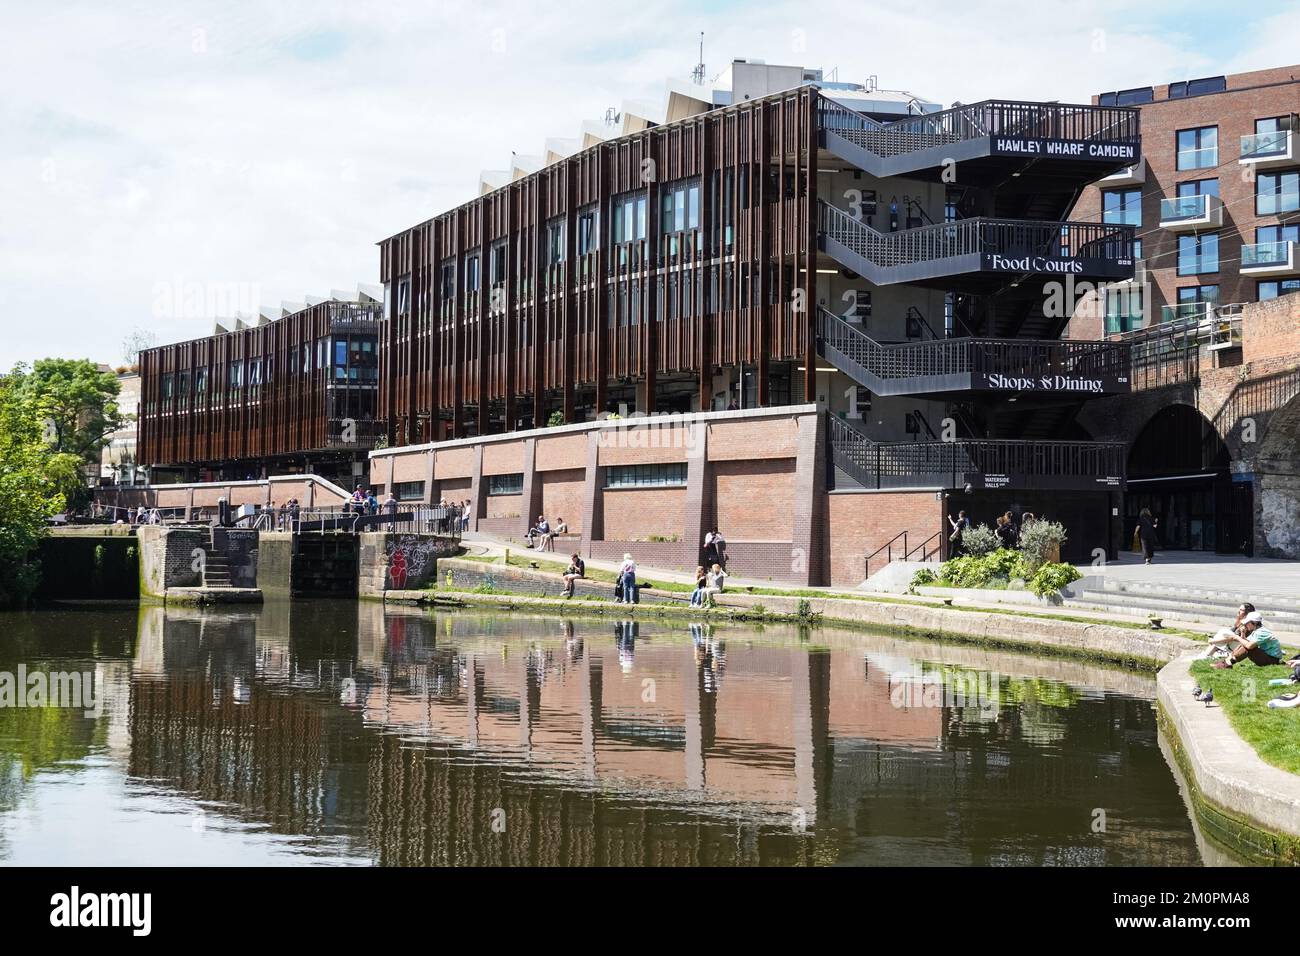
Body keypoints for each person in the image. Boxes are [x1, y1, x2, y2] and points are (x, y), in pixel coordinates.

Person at [1214, 612, 1283, 669]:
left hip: (1272, 660)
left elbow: (1249, 646)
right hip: (1267, 657)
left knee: (1248, 648)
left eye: (1247, 623)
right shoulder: (1257, 631)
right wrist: (1243, 634)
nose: (1245, 625)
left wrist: (1237, 637)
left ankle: (1228, 664)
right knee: (1244, 644)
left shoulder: (1263, 632)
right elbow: (1244, 642)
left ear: (1253, 623)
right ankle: (1227, 662)